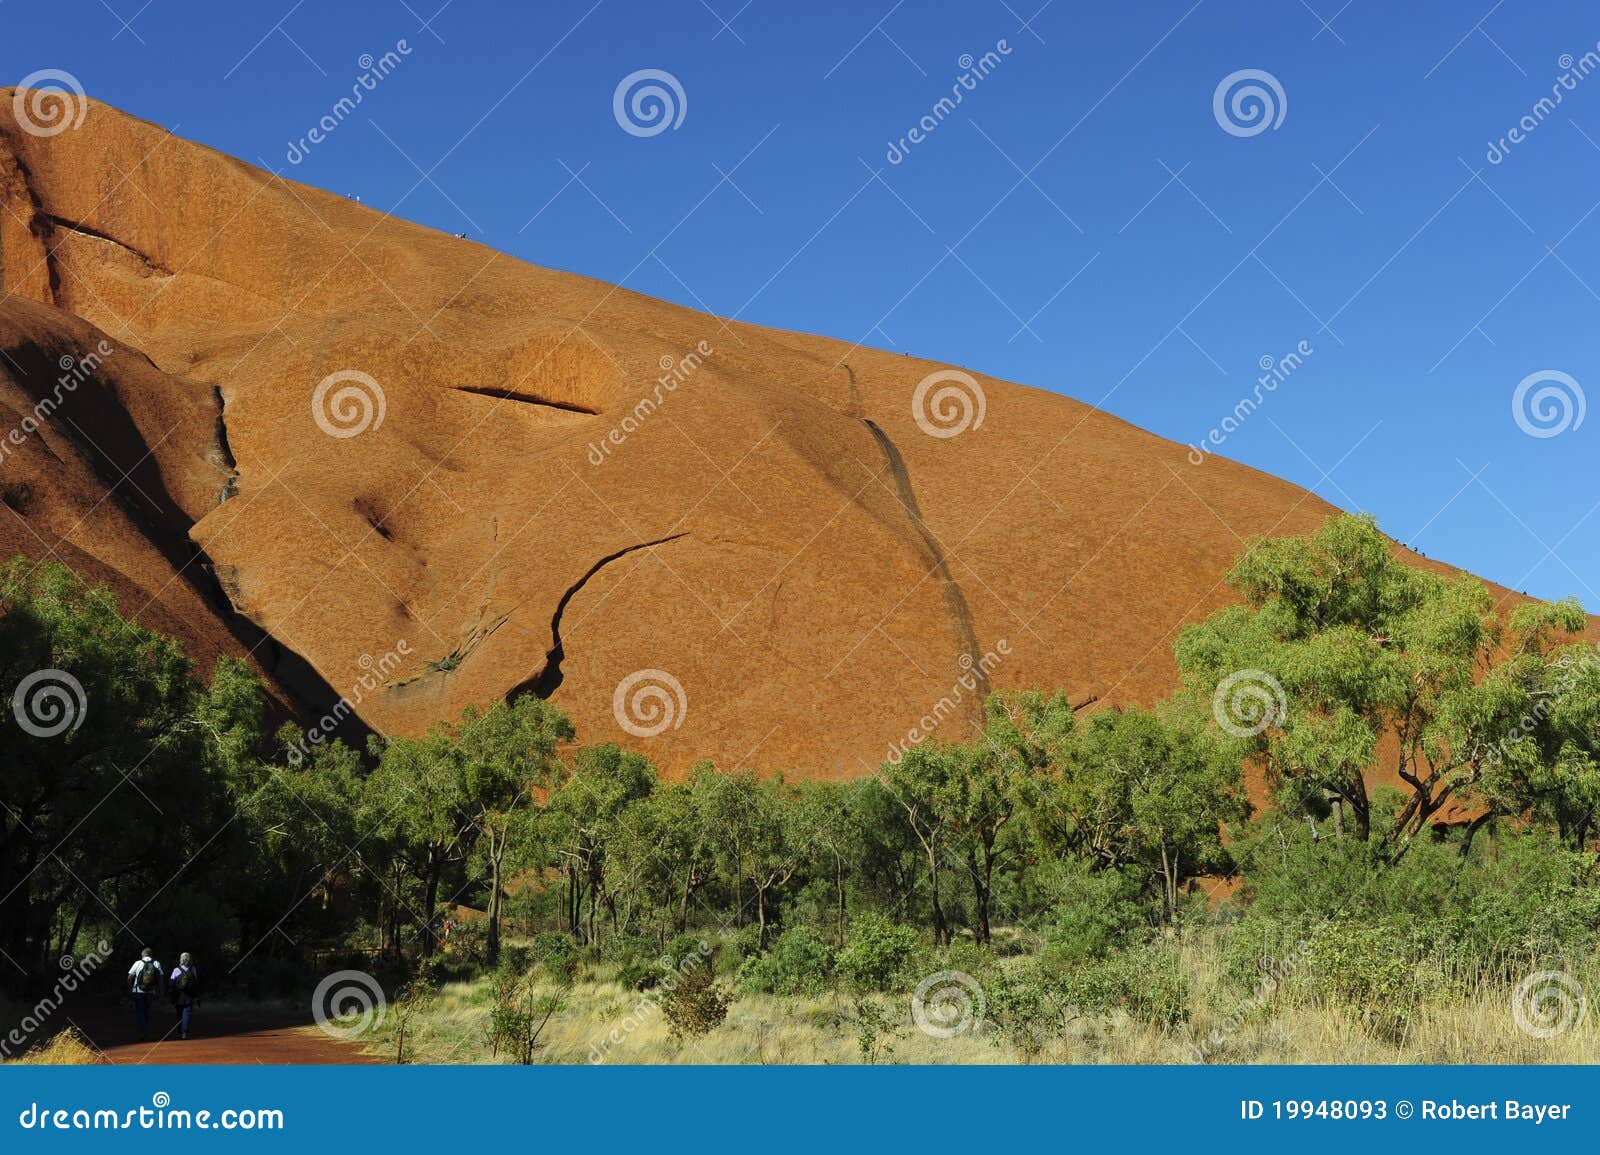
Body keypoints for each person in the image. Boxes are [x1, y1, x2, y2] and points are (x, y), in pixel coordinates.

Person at [127, 947, 163, 1040]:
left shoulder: (138, 963)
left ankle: (143, 1032)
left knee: (140, 1012)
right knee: (147, 1011)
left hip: (138, 991)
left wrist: (132, 986)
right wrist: (159, 990)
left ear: (142, 955)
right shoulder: (156, 963)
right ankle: (146, 1031)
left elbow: (129, 977)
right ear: (151, 955)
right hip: (151, 991)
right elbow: (160, 978)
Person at [167, 952, 200, 1040]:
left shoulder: (176, 970)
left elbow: (171, 983)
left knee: (179, 1013)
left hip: (178, 996)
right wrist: (196, 996)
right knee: (186, 1013)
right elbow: (196, 983)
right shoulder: (193, 969)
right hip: (189, 996)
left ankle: (179, 1031)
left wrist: (171, 995)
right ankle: (184, 1032)